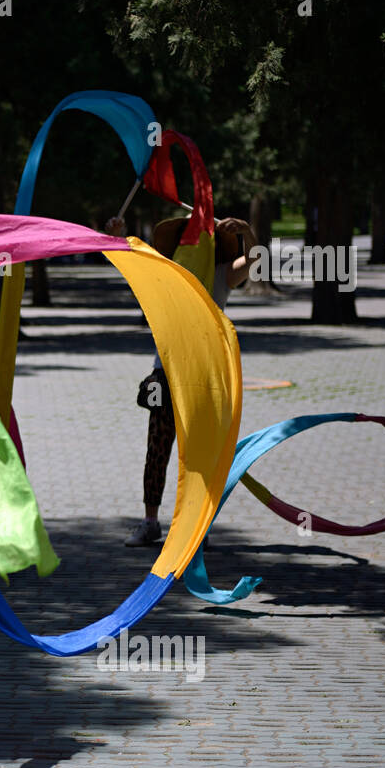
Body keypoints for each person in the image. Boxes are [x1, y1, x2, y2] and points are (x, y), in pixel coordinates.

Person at [125, 217, 255, 546]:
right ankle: (150, 521)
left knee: (199, 453)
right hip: (164, 374)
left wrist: (246, 232)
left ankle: (196, 526)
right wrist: (116, 235)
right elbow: (128, 262)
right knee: (157, 447)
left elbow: (255, 260)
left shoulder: (220, 275)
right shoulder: (165, 275)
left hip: (205, 378)